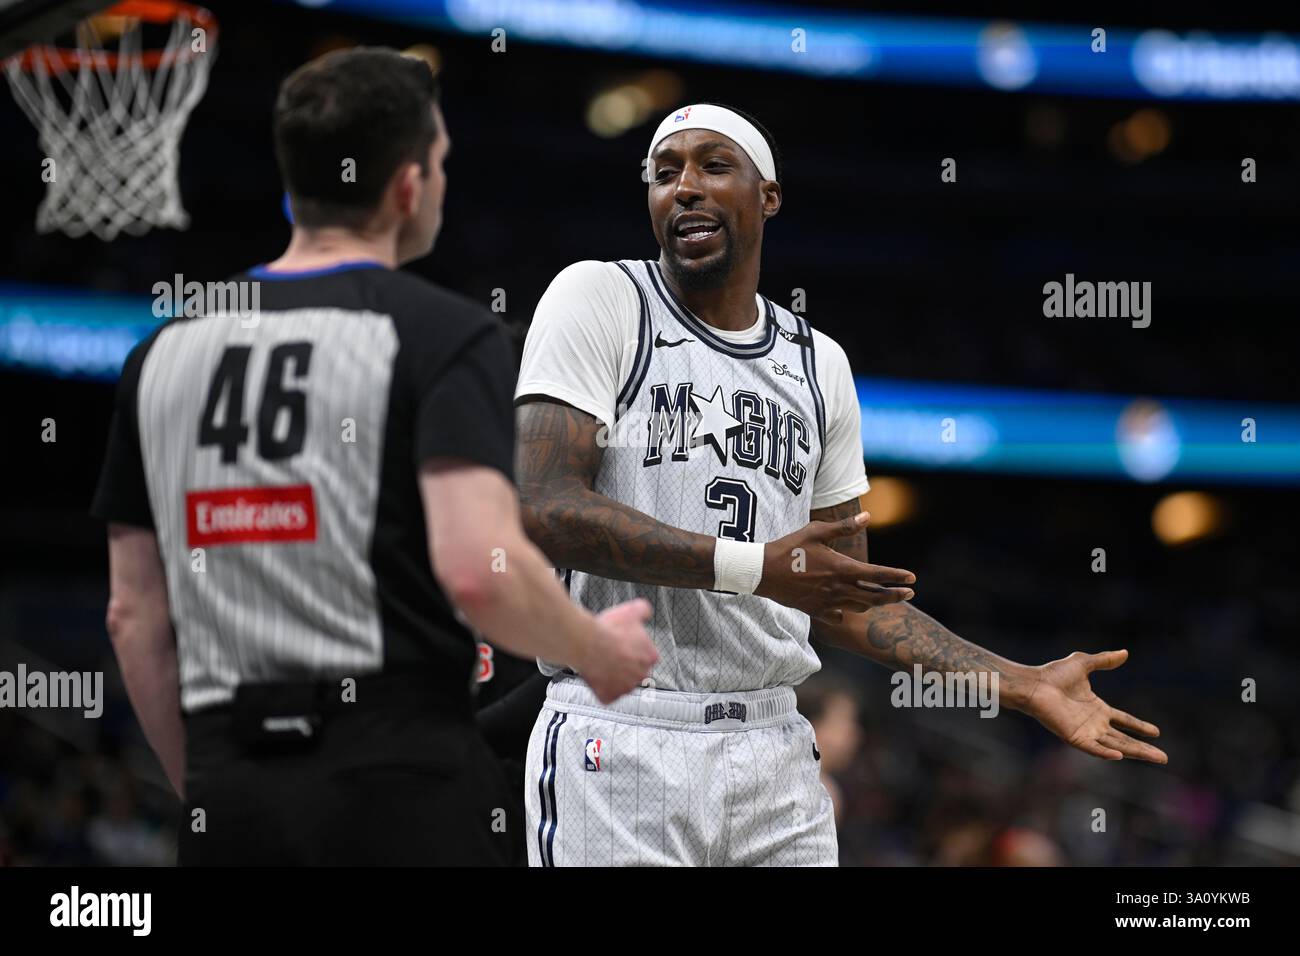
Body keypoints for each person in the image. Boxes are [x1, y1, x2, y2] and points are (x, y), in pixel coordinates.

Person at [513, 102, 1167, 867]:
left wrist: (1020, 684)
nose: (683, 187)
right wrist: (755, 567)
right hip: (621, 729)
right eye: (665, 173)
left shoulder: (820, 363)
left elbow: (845, 597)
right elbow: (542, 505)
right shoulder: (600, 298)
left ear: (769, 195)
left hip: (775, 749)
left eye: (713, 166)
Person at [90, 47, 656, 866]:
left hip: (231, 788)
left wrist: (208, 790)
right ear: (408, 185)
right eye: (440, 162)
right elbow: (477, 569)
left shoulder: (160, 356)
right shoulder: (444, 336)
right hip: (402, 789)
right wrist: (595, 649)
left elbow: (131, 614)